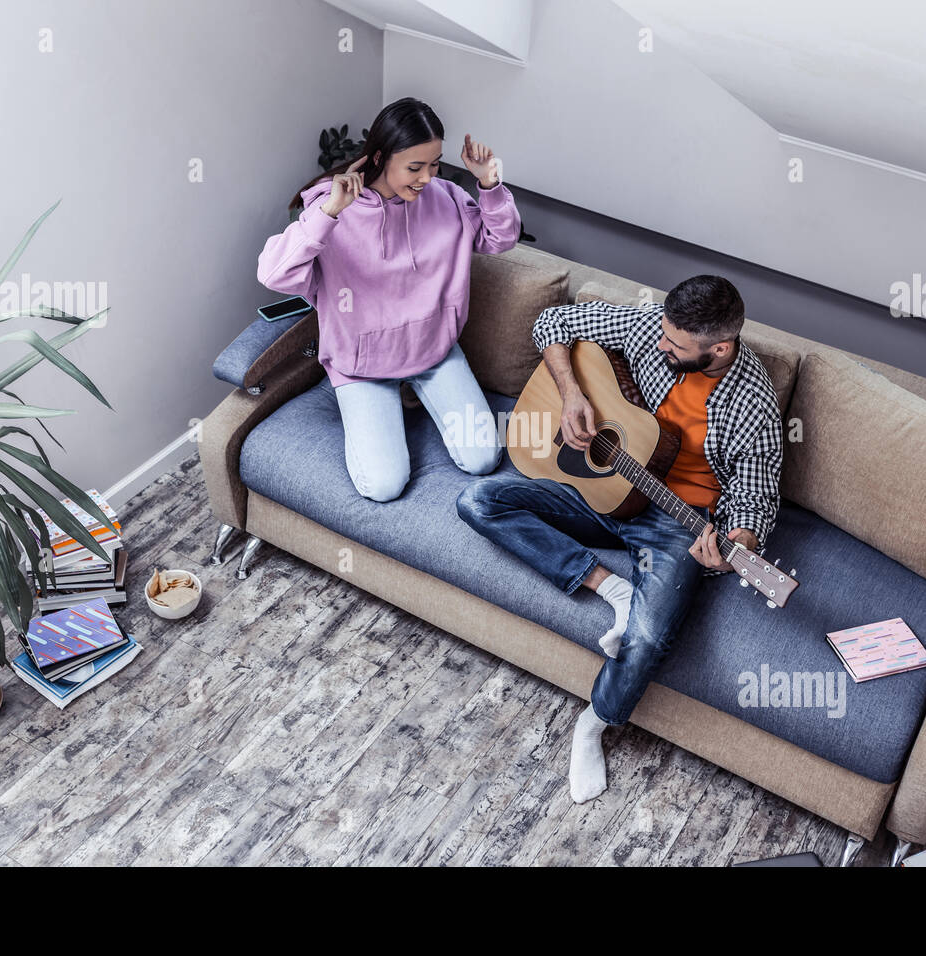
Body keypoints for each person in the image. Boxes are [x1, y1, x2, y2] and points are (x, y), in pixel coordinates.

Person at [455, 277, 783, 803]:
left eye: (675, 347)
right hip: (602, 493)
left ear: (718, 349)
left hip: (678, 521)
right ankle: (610, 587)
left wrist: (735, 541)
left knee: (649, 637)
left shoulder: (754, 404)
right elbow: (551, 323)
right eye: (664, 335)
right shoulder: (650, 327)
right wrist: (571, 395)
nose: (660, 346)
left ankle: (594, 724)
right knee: (477, 501)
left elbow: (754, 497)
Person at [258, 97, 522, 501]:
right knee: (383, 486)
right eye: (414, 167)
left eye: (434, 164)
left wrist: (488, 183)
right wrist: (329, 213)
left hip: (433, 351)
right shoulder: (333, 207)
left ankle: (413, 393)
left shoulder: (445, 198)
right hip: (363, 366)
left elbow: (498, 239)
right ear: (380, 157)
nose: (426, 177)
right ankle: (386, 403)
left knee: (484, 458)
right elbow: (274, 274)